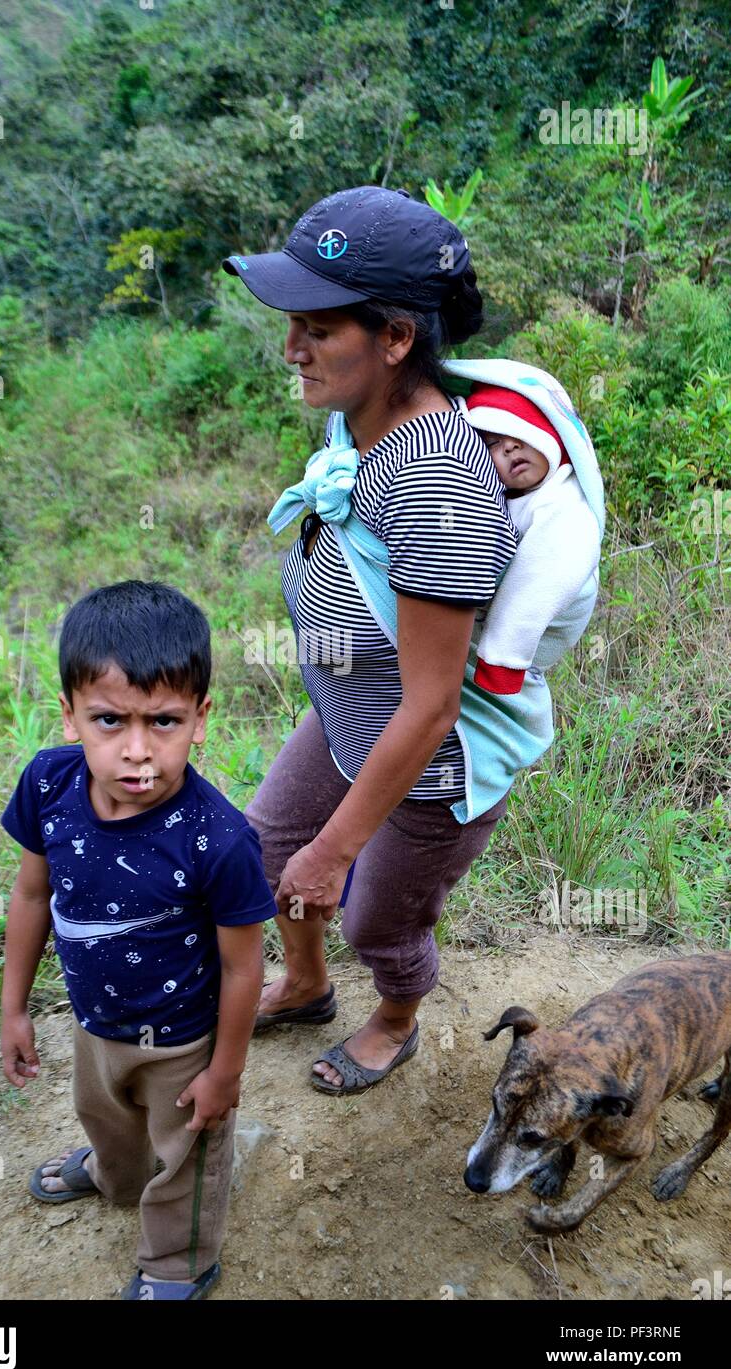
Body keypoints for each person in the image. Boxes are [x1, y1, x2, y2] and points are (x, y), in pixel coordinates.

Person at [221, 185, 520, 1096]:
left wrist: (340, 849)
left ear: (396, 339)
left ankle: (396, 1017)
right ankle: (307, 987)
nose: (292, 349)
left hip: (429, 760)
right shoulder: (365, 424)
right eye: (293, 324)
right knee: (269, 847)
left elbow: (433, 707)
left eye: (318, 328)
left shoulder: (437, 484)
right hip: (351, 715)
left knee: (377, 923)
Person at [0, 580, 277, 1300]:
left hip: (184, 1041)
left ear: (201, 719)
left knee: (188, 1152)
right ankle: (113, 1175)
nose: (137, 752)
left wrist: (226, 1073)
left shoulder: (219, 839)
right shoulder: (47, 787)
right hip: (94, 1024)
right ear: (69, 717)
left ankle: (178, 1262)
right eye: (108, 720)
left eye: (163, 722)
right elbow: (32, 894)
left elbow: (244, 970)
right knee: (106, 1121)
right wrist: (15, 1008)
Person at [461, 384, 601, 695]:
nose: (509, 447)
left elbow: (536, 585)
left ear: (547, 436)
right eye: (493, 444)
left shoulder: (565, 504)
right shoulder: (501, 497)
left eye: (520, 433)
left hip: (518, 646)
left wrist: (501, 662)